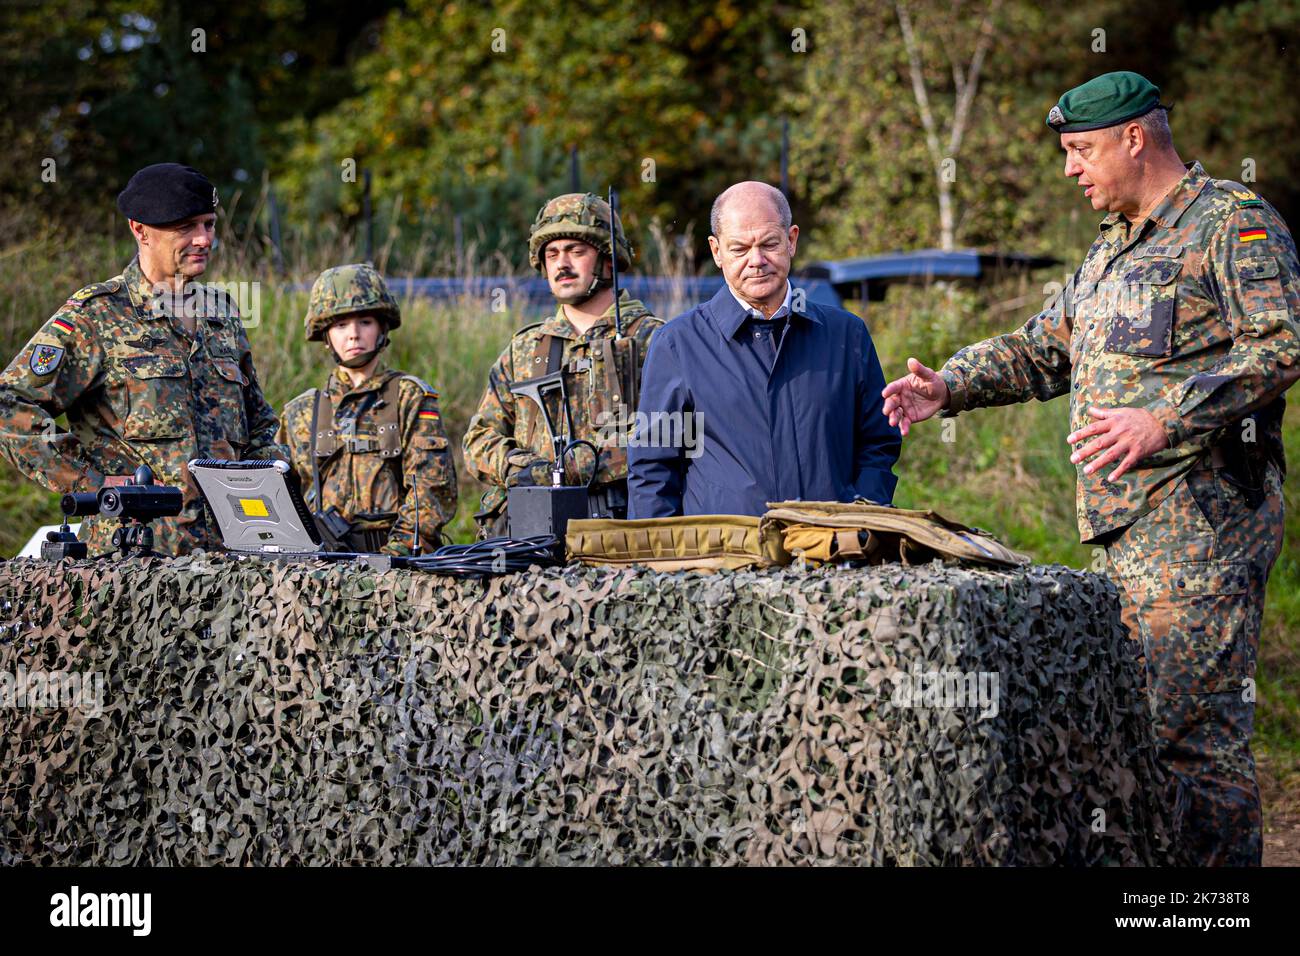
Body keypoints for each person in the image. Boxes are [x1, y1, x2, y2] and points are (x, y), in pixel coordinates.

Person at [881, 71, 1300, 866]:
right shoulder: (1113, 247)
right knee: (1137, 735)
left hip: (1201, 529)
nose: (1071, 169)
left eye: (1081, 151)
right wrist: (949, 385)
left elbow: (1281, 344)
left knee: (1189, 745)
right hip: (1123, 535)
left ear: (1134, 139)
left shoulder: (1231, 223)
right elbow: (1047, 347)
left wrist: (1165, 418)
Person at [0, 162, 285, 556]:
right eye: (186, 228)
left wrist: (270, 486)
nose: (203, 240)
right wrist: (91, 482)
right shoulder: (96, 316)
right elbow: (8, 406)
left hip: (228, 566)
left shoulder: (223, 314)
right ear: (140, 230)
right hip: (131, 566)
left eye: (209, 224)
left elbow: (260, 424)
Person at [628, 180, 900, 517]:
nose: (756, 260)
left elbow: (878, 445)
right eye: (739, 249)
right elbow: (652, 470)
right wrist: (660, 563)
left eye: (769, 244)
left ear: (792, 240)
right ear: (716, 252)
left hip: (835, 552)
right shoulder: (677, 344)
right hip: (722, 560)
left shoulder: (847, 335)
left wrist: (864, 526)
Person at [463, 192, 661, 536]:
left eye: (576, 251)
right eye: (552, 254)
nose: (561, 264)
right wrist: (519, 467)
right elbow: (478, 439)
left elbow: (674, 432)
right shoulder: (525, 349)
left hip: (620, 536)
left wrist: (577, 466)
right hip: (530, 533)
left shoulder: (651, 339)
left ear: (608, 261)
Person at [277, 264, 457, 554]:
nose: (353, 335)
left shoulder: (409, 397)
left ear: (382, 327)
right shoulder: (302, 411)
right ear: (325, 336)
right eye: (340, 325)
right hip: (321, 569)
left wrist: (392, 559)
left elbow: (430, 492)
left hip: (396, 567)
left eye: (365, 322)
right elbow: (281, 498)